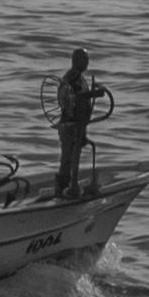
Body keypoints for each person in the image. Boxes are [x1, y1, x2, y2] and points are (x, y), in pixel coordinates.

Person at [55, 48, 96, 197]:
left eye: (87, 59)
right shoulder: (72, 78)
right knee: (68, 157)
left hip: (77, 125)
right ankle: (64, 188)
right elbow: (75, 99)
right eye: (84, 59)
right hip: (70, 125)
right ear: (76, 60)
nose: (87, 62)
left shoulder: (77, 77)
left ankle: (70, 184)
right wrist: (91, 94)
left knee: (72, 156)